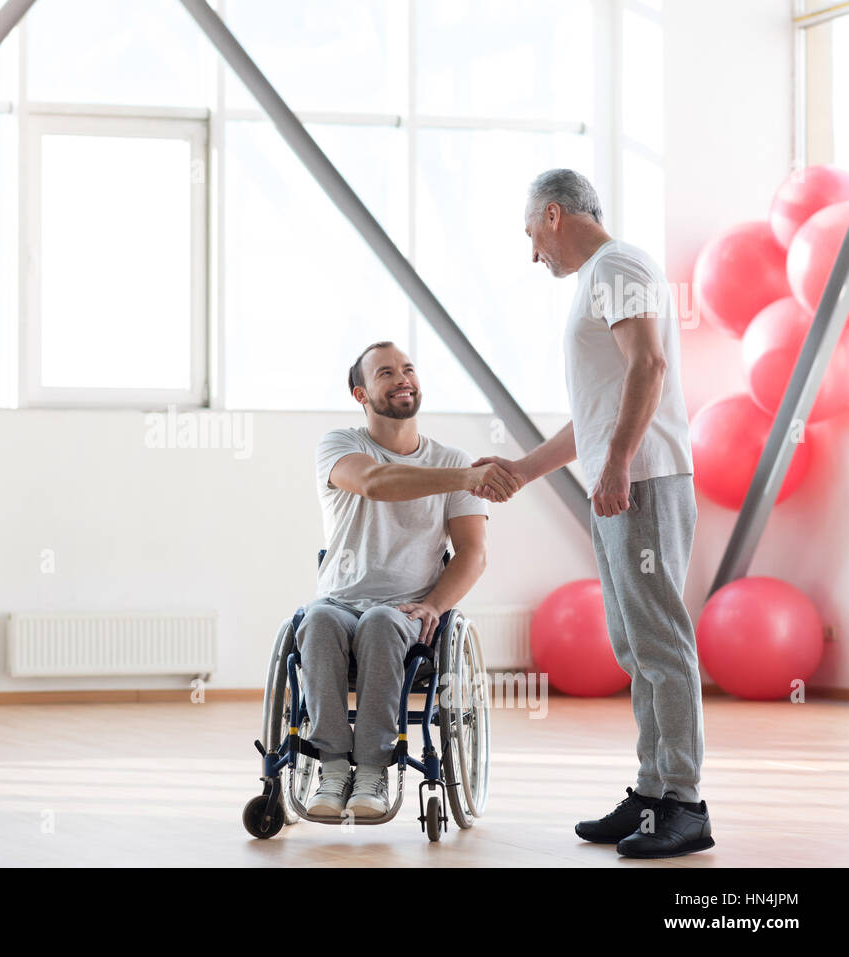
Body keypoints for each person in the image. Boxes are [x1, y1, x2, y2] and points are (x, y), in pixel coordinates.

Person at [473, 168, 713, 858]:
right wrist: (524, 469)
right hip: (625, 480)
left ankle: (687, 803)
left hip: (645, 482)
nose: (532, 254)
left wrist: (616, 466)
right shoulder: (599, 279)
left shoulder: (619, 264)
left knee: (660, 640)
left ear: (554, 215)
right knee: (634, 643)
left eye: (530, 235)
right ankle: (653, 791)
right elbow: (595, 413)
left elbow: (650, 366)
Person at [299, 341, 517, 818]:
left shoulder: (451, 459)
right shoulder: (341, 445)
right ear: (361, 393)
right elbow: (377, 484)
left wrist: (436, 605)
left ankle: (372, 771)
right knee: (316, 622)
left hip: (404, 609)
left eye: (408, 368)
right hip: (339, 599)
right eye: (385, 373)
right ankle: (333, 768)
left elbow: (473, 554)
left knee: (380, 621)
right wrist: (463, 479)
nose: (402, 378)